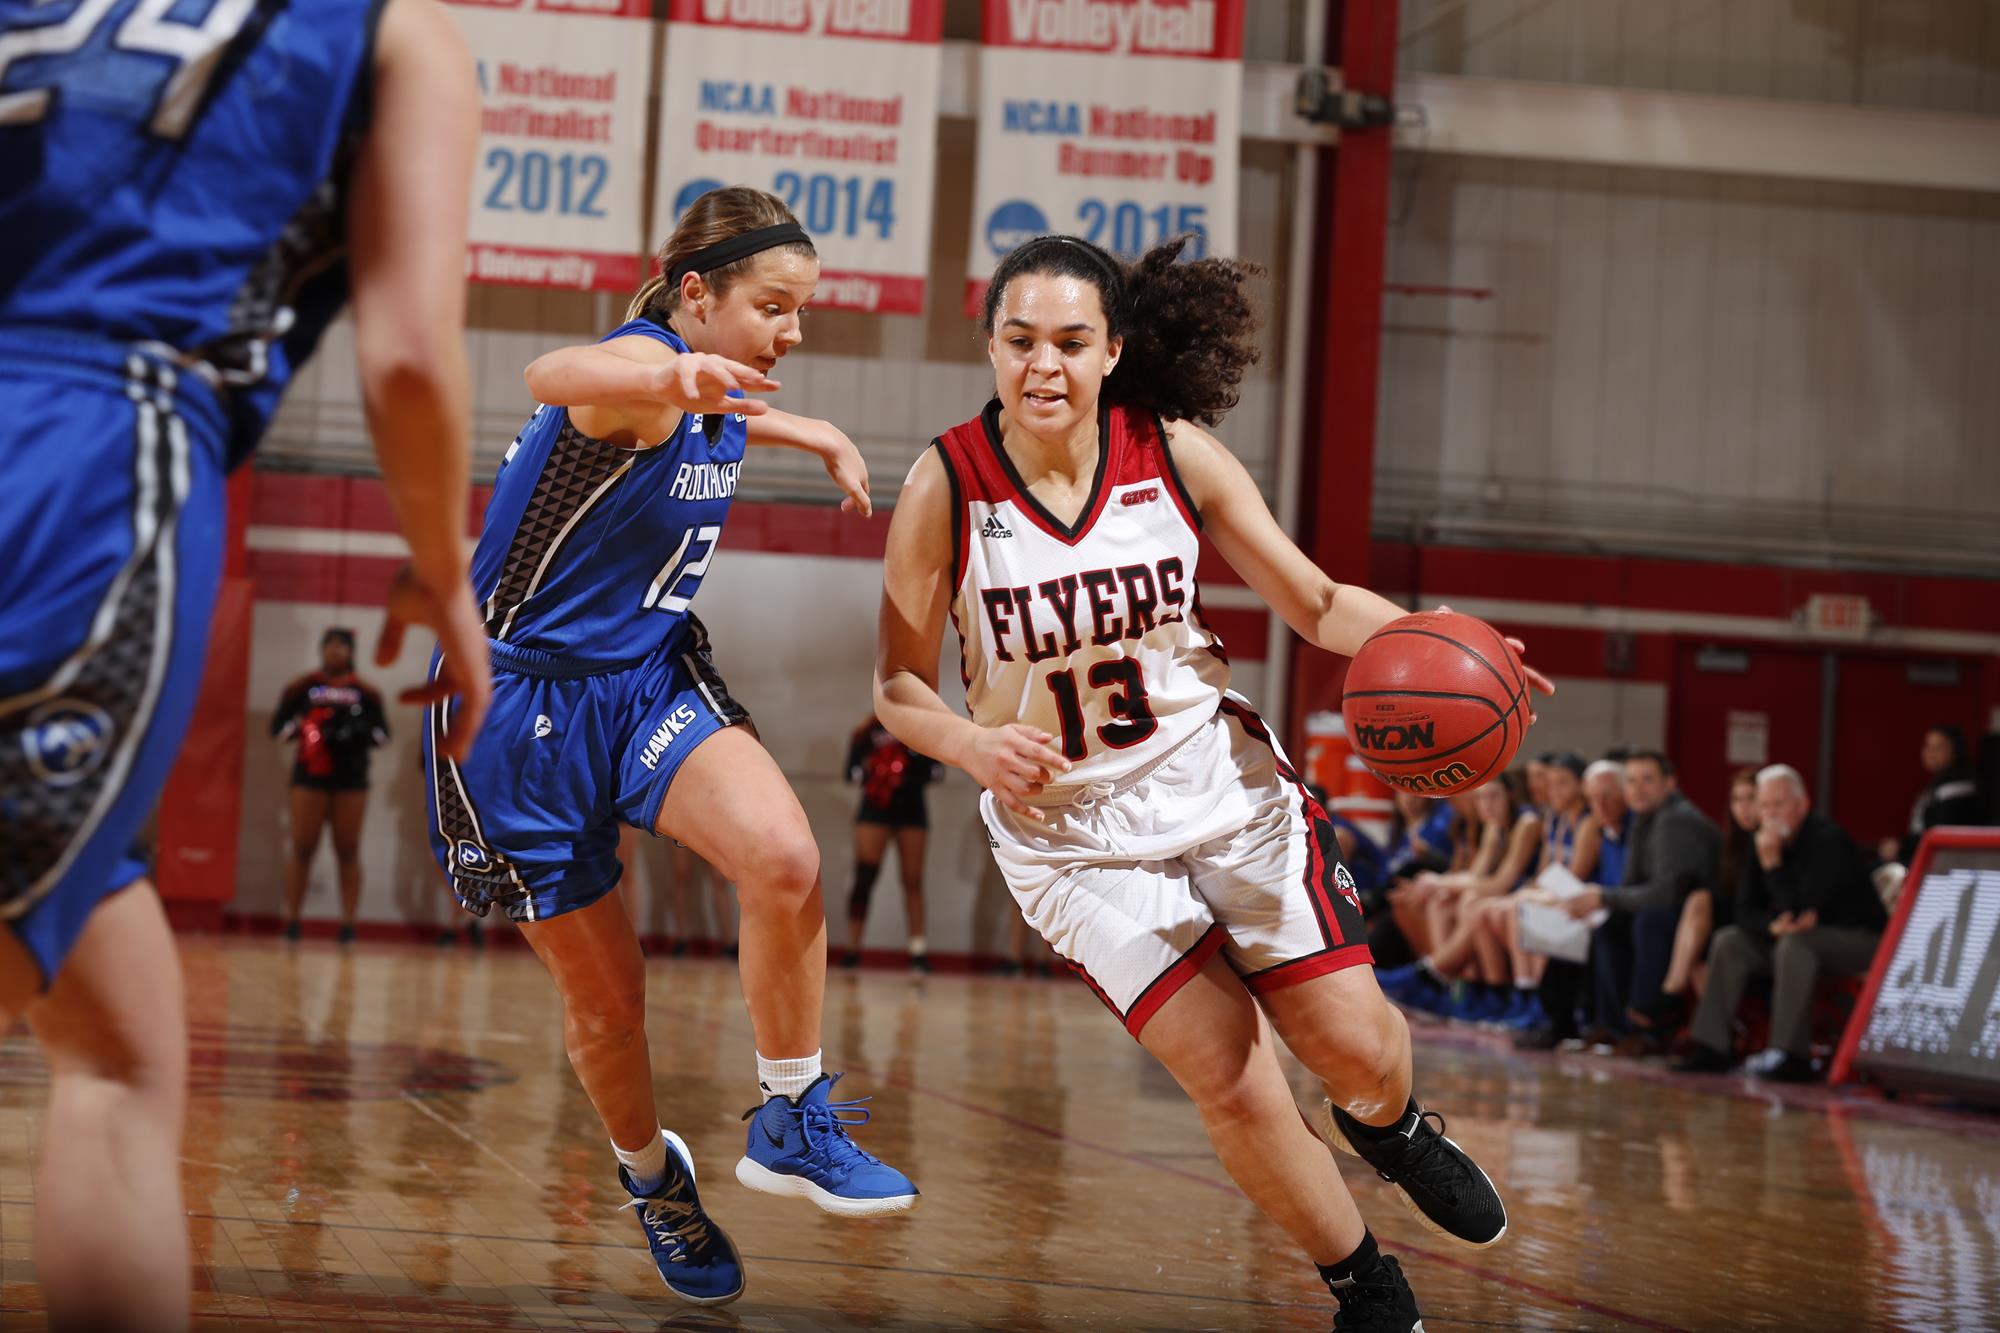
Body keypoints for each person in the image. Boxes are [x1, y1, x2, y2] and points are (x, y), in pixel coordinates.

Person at [872, 233, 1552, 1331]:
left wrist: (1447, 638)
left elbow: (1318, 602)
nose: (1041, 365)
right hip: (1071, 838)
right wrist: (967, 744)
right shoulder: (944, 484)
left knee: (1355, 1051)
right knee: (1228, 1069)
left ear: (1112, 351)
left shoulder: (1172, 453)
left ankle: (1389, 1128)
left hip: (1219, 790)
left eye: (1068, 342)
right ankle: (1366, 1292)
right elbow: (899, 686)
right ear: (988, 346)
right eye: (1018, 341)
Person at [0, 4, 491, 1329]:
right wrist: (445, 576)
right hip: (86, 453)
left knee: (118, 1031)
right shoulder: (397, 34)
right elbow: (405, 354)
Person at [420, 187, 918, 1308]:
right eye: (774, 307)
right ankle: (653, 1178)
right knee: (609, 1006)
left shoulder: (708, 384)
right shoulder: (639, 376)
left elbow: (720, 408)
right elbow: (556, 376)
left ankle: (791, 1110)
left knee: (785, 860)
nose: (792, 332)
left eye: (802, 312)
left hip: (642, 680)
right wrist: (665, 376)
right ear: (695, 295)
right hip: (514, 719)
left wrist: (810, 428)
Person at [1675, 765, 1886, 1081]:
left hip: (1859, 940)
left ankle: (1790, 1055)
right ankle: (1712, 1047)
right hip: (1801, 939)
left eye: (1779, 804)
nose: (1770, 813)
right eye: (1764, 805)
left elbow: (1800, 909)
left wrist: (1772, 863)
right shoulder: (1762, 841)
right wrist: (1770, 927)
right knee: (1730, 941)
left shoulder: (1828, 840)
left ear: (1802, 804)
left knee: (1795, 944)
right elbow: (1743, 909)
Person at [1562, 751, 1719, 1056]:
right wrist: (1605, 900)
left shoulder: (1675, 819)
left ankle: (1651, 1024)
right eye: (1631, 781)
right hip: (1671, 912)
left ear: (1669, 784)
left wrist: (1604, 896)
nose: (1638, 789)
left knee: (1648, 920)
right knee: (1609, 923)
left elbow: (1666, 894)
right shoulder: (1644, 819)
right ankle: (1611, 1026)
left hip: (1704, 919)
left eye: (1648, 780)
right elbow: (1631, 886)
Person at [1374, 772, 1542, 1021]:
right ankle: (1451, 987)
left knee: (1470, 902)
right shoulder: (1493, 826)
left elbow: (1501, 883)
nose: (1487, 805)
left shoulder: (1527, 821)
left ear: (1511, 795)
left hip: (1521, 899)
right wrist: (1441, 884)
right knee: (1442, 899)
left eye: (1494, 796)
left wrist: (1441, 880)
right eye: (1482, 798)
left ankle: (1435, 975)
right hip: (1505, 900)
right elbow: (1476, 874)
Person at [273, 628, 390, 943]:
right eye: (331, 645)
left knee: (348, 850)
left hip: (351, 782)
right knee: (302, 846)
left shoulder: (368, 693)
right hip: (309, 779)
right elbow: (278, 729)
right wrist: (306, 731)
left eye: (343, 646)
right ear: (322, 650)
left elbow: (383, 737)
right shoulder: (302, 687)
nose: (336, 651)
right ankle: (293, 921)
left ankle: (348, 924)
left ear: (352, 652)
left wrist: (359, 731)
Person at [1514, 758, 1629, 1049]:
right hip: (1598, 904)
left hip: (1610, 907)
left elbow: (1581, 876)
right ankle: (1541, 1010)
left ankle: (1562, 1019)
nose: (1599, 804)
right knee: (1538, 916)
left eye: (1607, 797)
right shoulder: (1567, 820)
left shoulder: (1604, 826)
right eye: (1595, 798)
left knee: (1564, 925)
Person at [840, 713, 940, 972]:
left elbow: (936, 772)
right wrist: (875, 771)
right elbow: (850, 774)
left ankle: (918, 951)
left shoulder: (921, 727)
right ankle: (853, 949)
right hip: (874, 809)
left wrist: (909, 768)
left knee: (913, 880)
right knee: (864, 877)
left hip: (912, 810)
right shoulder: (867, 730)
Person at [1660, 766, 1756, 1007]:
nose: (1743, 807)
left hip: (1755, 924)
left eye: (1750, 798)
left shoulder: (1775, 843)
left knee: (1701, 911)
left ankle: (1673, 990)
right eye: (1736, 799)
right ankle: (1715, 1030)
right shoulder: (1731, 844)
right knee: (1695, 907)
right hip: (1733, 920)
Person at [1896, 725, 1984, 864]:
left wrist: (1901, 847)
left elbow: (1940, 833)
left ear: (1955, 750)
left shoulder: (1960, 786)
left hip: (1948, 862)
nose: (1930, 753)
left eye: (1938, 747)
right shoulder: (1935, 783)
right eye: (1928, 746)